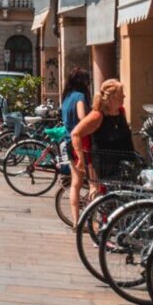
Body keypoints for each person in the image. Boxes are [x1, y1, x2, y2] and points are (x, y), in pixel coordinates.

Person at [73, 79, 131, 192]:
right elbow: (76, 133)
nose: (124, 96)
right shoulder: (98, 115)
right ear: (112, 97)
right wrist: (80, 158)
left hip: (123, 162)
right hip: (106, 164)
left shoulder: (121, 112)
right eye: (121, 94)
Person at [60, 67, 93, 226]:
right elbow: (82, 117)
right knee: (94, 182)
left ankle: (75, 221)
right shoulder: (80, 96)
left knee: (75, 183)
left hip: (68, 142)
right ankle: (95, 222)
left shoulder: (66, 97)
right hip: (81, 143)